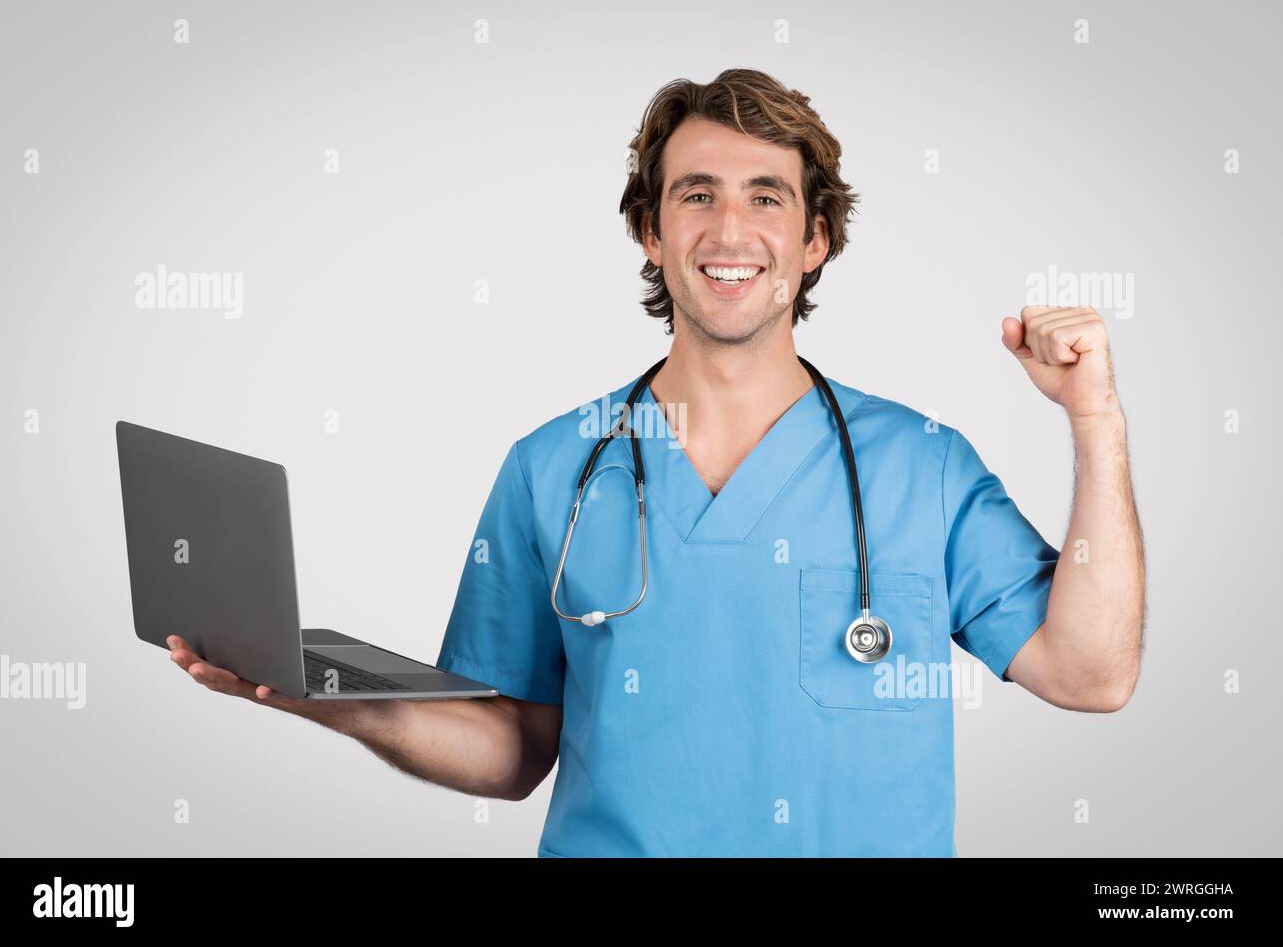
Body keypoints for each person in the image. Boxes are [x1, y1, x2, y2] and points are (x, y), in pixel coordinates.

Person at [167, 68, 1144, 857]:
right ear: (651, 230)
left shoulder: (919, 466)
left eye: (766, 199)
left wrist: (1092, 415)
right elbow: (512, 748)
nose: (729, 230)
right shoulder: (553, 466)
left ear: (813, 240)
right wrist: (331, 698)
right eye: (696, 196)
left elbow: (1090, 674)